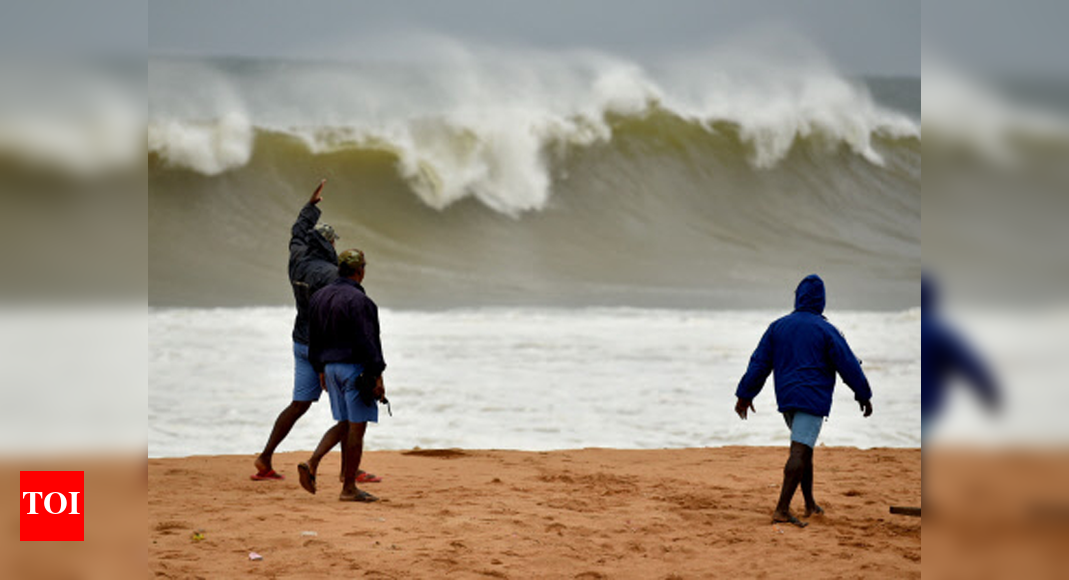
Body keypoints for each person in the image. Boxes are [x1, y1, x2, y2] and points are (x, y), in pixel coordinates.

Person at [251, 180, 380, 484]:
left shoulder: (297, 257)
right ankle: (350, 472)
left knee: (299, 403)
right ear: (329, 245)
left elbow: (297, 230)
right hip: (323, 347)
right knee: (351, 411)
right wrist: (327, 361)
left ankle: (265, 457)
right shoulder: (329, 274)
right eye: (333, 244)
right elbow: (333, 314)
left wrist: (311, 206)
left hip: (300, 340)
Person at [734, 274, 873, 528]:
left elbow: (759, 364)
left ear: (798, 297)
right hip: (812, 398)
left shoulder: (778, 326)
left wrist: (745, 394)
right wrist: (863, 393)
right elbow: (849, 365)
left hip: (786, 398)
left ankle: (809, 503)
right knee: (799, 450)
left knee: (804, 447)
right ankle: (781, 510)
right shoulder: (827, 330)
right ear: (821, 300)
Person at [301, 249, 387, 502]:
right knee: (356, 429)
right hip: (354, 370)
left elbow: (313, 338)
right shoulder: (361, 302)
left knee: (344, 424)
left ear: (339, 269)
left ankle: (313, 462)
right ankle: (349, 487)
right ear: (360, 271)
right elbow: (370, 341)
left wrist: (319, 369)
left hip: (330, 369)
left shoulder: (319, 297)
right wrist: (377, 376)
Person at [921, 273, 999, 437]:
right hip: (930, 404)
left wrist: (863, 393)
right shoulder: (940, 330)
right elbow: (967, 362)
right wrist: (988, 390)